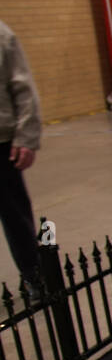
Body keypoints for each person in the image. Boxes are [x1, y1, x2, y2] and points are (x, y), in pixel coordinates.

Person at [0, 21, 42, 301]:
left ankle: (34, 276)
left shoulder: (3, 36)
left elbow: (22, 87)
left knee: (15, 216)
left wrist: (26, 136)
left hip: (2, 142)